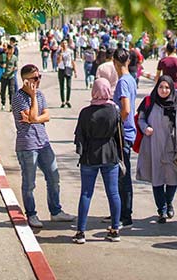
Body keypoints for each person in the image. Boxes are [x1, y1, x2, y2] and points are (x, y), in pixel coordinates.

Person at [13, 64, 76, 228]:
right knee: (29, 183)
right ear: (26, 80)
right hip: (27, 144)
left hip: (43, 141)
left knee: (54, 177)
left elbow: (45, 116)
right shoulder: (18, 97)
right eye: (35, 78)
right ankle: (31, 214)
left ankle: (56, 211)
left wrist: (35, 117)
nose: (38, 80)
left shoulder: (41, 94)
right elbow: (33, 115)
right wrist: (33, 98)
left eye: (39, 77)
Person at [72, 79, 123, 244]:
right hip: (110, 154)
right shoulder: (114, 111)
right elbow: (119, 135)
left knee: (86, 193)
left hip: (89, 156)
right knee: (113, 193)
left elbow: (79, 137)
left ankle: (80, 232)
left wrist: (81, 152)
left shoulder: (85, 112)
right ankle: (115, 230)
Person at [136, 76, 177, 223]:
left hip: (171, 144)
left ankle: (169, 201)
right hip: (152, 144)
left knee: (172, 176)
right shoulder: (149, 101)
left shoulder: (176, 104)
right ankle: (161, 209)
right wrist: (145, 128)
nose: (164, 90)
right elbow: (141, 118)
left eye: (167, 88)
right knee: (157, 177)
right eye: (161, 87)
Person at [112, 49, 136, 226]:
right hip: (129, 131)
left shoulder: (122, 82)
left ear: (114, 62)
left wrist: (115, 123)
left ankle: (125, 214)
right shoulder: (131, 79)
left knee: (122, 175)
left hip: (123, 133)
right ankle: (120, 210)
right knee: (122, 172)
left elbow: (126, 109)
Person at [57, 40, 75, 108]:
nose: (64, 44)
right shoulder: (59, 52)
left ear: (67, 44)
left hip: (68, 68)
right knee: (62, 86)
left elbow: (72, 61)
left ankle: (68, 100)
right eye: (63, 43)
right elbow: (58, 61)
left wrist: (75, 70)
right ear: (61, 44)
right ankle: (63, 101)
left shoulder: (70, 51)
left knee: (68, 86)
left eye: (65, 43)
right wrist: (61, 53)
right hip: (61, 69)